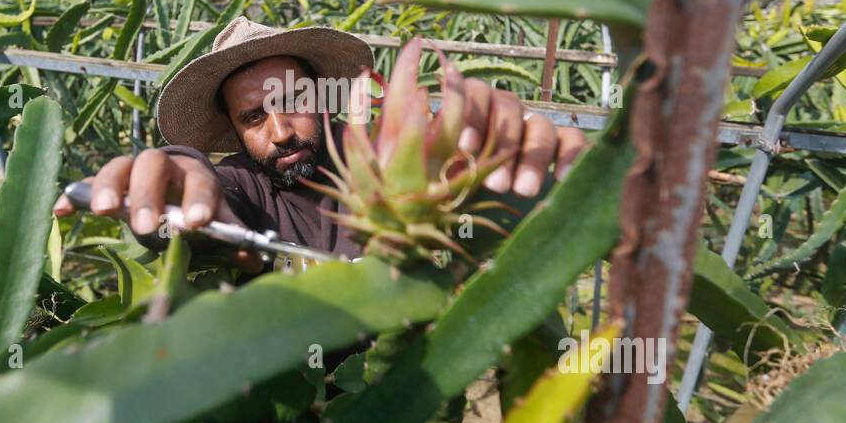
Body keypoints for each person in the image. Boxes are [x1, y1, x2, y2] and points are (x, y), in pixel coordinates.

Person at [53, 15, 588, 270]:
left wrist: (525, 162)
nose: (281, 130)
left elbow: (469, 175)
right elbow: (202, 185)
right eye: (254, 117)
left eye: (291, 101)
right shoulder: (243, 186)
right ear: (236, 133)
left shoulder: (388, 155)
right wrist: (177, 177)